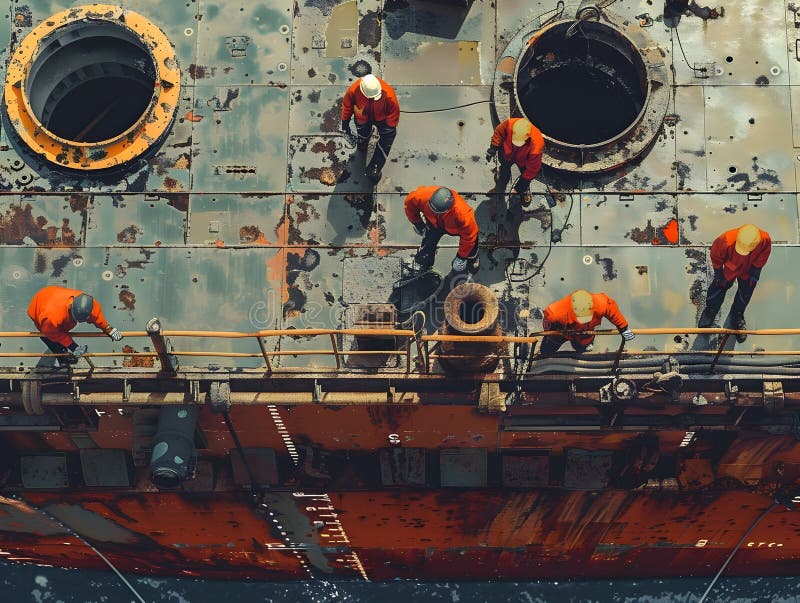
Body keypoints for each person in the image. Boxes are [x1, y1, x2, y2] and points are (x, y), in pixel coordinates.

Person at [698, 224, 770, 343]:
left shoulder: (765, 240)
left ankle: (737, 314)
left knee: (745, 293)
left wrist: (755, 272)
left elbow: (763, 256)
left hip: (749, 269)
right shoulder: (726, 240)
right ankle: (710, 310)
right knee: (718, 287)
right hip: (730, 267)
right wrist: (718, 273)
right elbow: (716, 255)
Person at [28, 286, 123, 367]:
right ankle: (63, 358)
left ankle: (64, 354)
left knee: (60, 333)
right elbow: (51, 332)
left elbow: (97, 317)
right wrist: (73, 346)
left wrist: (109, 329)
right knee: (48, 336)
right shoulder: (50, 317)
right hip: (40, 303)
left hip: (55, 296)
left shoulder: (90, 304)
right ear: (70, 308)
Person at [404, 186, 479, 273]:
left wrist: (461, 257)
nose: (436, 213)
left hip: (455, 227)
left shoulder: (464, 214)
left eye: (439, 212)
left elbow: (469, 237)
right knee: (428, 241)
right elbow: (409, 204)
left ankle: (471, 260)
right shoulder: (420, 195)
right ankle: (423, 261)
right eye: (433, 209)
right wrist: (417, 223)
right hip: (433, 223)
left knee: (472, 243)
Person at [341, 73, 400, 183]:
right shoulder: (353, 91)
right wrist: (345, 121)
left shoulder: (389, 94)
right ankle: (363, 144)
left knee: (385, 143)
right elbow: (347, 106)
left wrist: (389, 129)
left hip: (383, 119)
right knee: (363, 136)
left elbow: (393, 114)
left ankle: (375, 166)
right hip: (362, 118)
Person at [540, 290, 635, 355]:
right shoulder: (554, 314)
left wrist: (624, 328)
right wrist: (562, 334)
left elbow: (612, 310)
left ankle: (584, 349)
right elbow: (548, 330)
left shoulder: (601, 303)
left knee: (581, 349)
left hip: (585, 334)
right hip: (560, 331)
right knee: (546, 350)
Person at [485, 118, 544, 207]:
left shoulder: (537, 144)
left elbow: (532, 169)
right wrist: (493, 147)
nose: (516, 145)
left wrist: (519, 187)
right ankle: (501, 184)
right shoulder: (509, 124)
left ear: (527, 138)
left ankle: (524, 188)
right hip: (507, 154)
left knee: (526, 175)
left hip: (524, 160)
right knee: (504, 170)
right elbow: (499, 133)